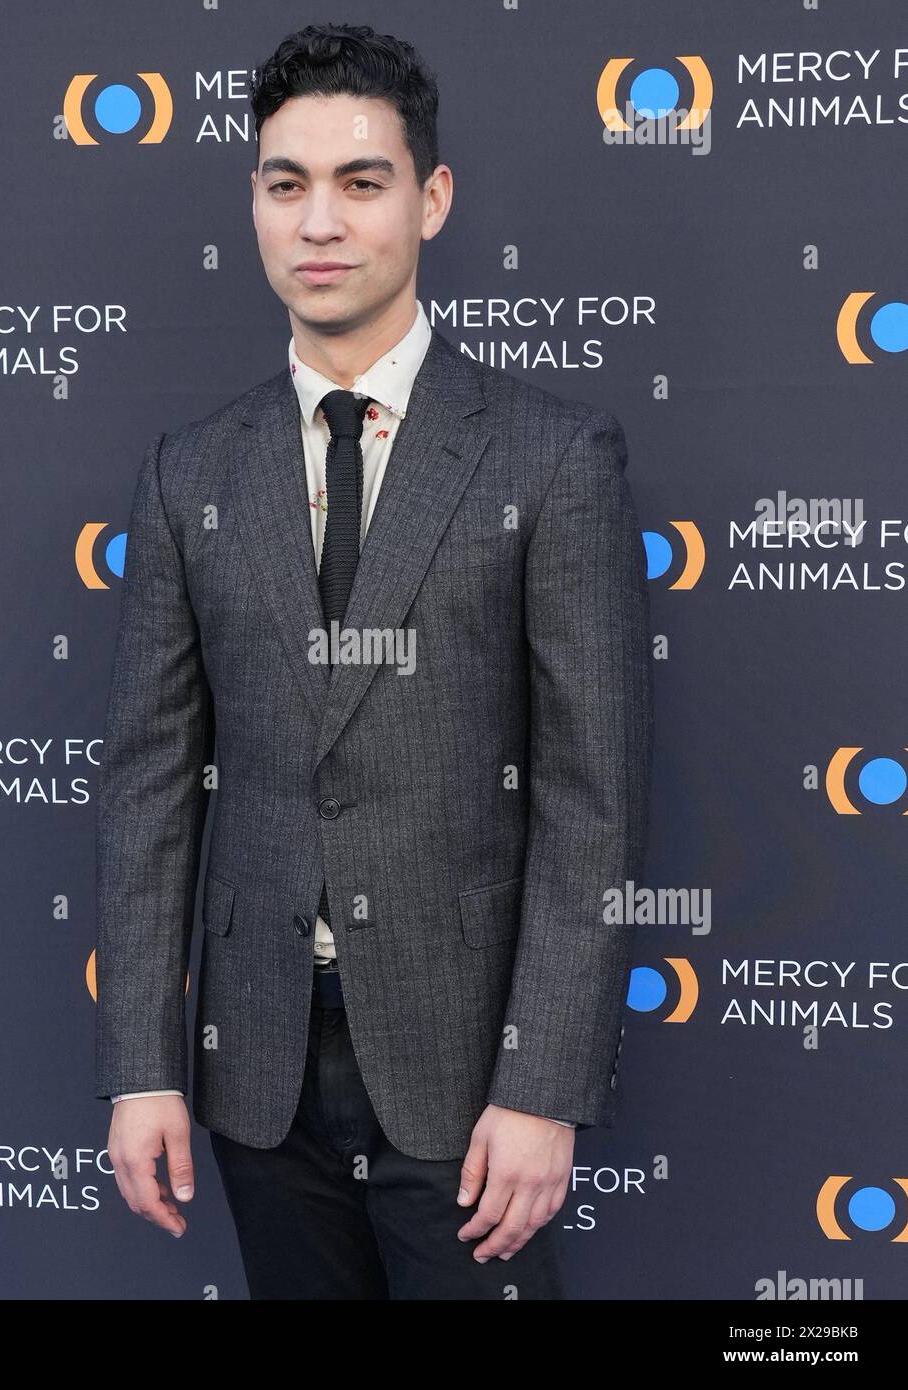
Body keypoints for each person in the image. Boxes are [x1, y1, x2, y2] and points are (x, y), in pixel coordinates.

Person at [95, 21, 654, 1300]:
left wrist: (541, 1085)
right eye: (286, 184)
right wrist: (143, 1063)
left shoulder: (550, 458)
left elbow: (590, 800)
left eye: (360, 181)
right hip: (257, 1073)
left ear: (430, 197)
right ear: (253, 204)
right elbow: (147, 790)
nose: (319, 222)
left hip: (466, 1076)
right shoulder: (191, 470)